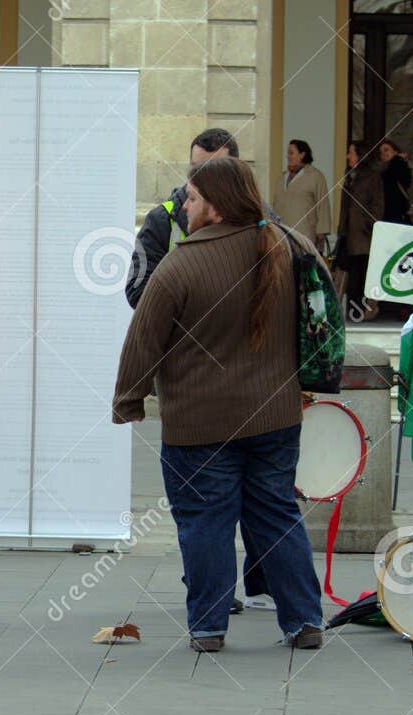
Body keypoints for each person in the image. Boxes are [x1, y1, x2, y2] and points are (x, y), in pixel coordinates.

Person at [113, 156, 326, 654]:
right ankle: (305, 621)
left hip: (198, 422)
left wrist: (129, 400)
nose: (181, 206)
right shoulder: (290, 247)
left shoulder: (180, 264)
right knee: (276, 512)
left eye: (189, 197)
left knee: (204, 519)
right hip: (275, 415)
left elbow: (143, 339)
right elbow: (321, 319)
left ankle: (209, 627)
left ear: (212, 206)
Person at [125, 128, 239, 308]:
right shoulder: (162, 219)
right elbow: (137, 291)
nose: (202, 178)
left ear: (235, 170)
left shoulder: (261, 218)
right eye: (196, 168)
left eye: (214, 169)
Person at [335, 140, 384, 320]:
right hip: (348, 234)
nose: (348, 156)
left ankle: (363, 311)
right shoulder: (349, 175)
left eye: (351, 152)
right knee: (347, 273)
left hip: (364, 236)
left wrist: (368, 225)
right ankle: (351, 310)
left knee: (361, 274)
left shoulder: (372, 177)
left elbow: (377, 205)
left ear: (360, 155)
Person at [271, 139, 332, 254]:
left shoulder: (315, 176)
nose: (288, 156)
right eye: (287, 153)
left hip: (305, 236)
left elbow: (323, 205)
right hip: (282, 236)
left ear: (302, 154)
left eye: (291, 153)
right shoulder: (282, 178)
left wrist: (321, 233)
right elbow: (275, 205)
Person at [378, 138, 413, 224]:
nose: (383, 154)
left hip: (395, 215)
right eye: (381, 152)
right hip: (391, 215)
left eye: (386, 150)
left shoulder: (398, 165)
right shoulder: (385, 169)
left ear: (395, 151)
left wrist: (397, 159)